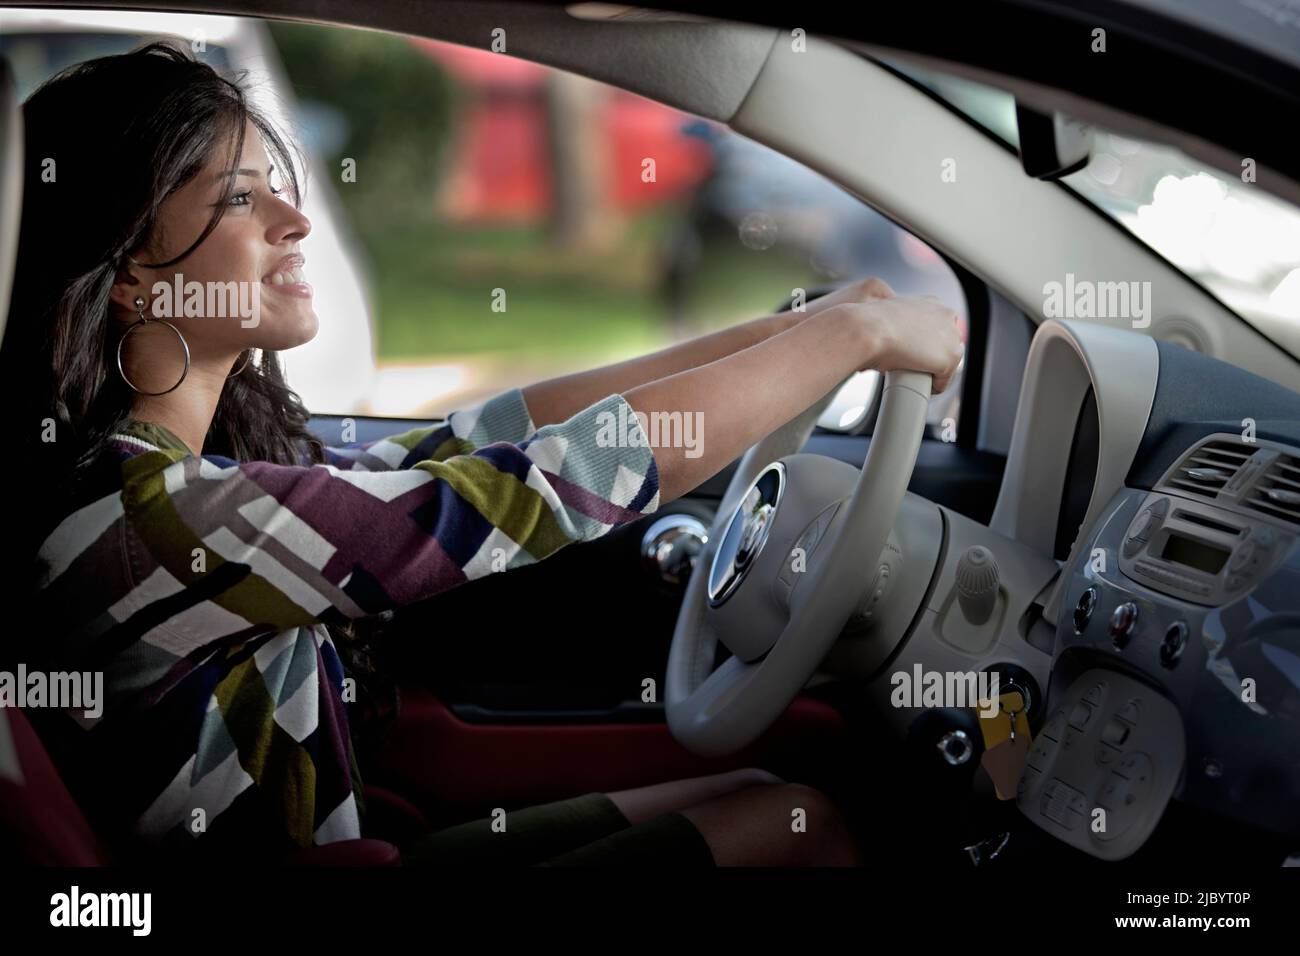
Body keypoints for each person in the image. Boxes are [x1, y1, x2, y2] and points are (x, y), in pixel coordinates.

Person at [0, 42, 962, 867]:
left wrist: (805, 324)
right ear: (130, 272)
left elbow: (486, 435)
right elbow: (530, 491)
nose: (293, 224)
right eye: (240, 199)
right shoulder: (158, 518)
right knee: (803, 828)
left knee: (768, 786)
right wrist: (848, 349)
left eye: (280, 192)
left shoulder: (170, 488)